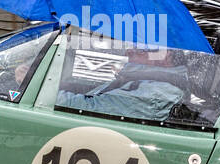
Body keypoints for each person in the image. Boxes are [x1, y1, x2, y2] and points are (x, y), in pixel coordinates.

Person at [56, 46, 189, 122]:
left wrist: (45, 95)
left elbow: (89, 109)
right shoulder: (146, 81)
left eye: (141, 47)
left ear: (165, 55)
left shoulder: (156, 93)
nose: (129, 50)